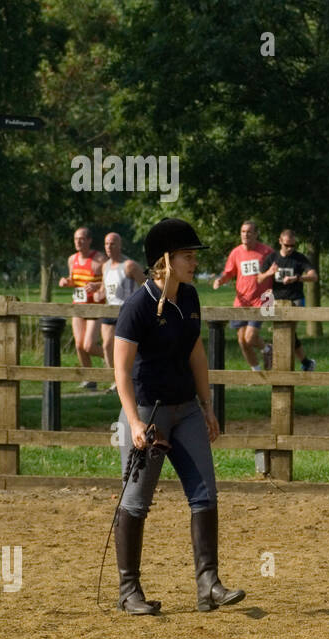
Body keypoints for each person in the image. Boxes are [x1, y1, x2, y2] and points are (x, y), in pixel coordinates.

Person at [111, 217, 245, 615]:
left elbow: (196, 354)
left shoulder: (189, 299)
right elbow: (121, 371)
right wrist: (135, 423)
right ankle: (128, 591)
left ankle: (209, 584)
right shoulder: (136, 308)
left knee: (205, 493)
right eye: (188, 256)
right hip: (148, 414)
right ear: (165, 261)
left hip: (186, 409)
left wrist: (207, 406)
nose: (194, 263)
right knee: (136, 502)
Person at [212, 220, 274, 370]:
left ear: (256, 234)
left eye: (249, 232)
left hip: (263, 299)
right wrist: (220, 280)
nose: (245, 235)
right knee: (242, 341)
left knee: (250, 337)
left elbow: (275, 271)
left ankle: (267, 349)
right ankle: (256, 371)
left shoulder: (266, 252)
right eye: (243, 232)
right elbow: (229, 272)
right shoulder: (236, 252)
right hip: (242, 301)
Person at [261, 228, 318, 371]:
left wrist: (297, 278)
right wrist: (269, 272)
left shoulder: (299, 258)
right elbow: (258, 279)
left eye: (293, 245)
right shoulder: (272, 258)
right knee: (289, 333)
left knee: (287, 330)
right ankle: (305, 363)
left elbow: (314, 276)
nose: (290, 248)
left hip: (296, 299)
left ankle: (280, 366)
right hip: (277, 301)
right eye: (287, 245)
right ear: (280, 241)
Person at [58, 227, 105, 389]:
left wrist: (97, 285)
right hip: (78, 306)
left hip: (95, 307)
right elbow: (73, 279)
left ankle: (113, 359)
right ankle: (90, 379)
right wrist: (66, 281)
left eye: (82, 238)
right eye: (76, 239)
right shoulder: (73, 259)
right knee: (79, 345)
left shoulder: (99, 259)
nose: (78, 242)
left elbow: (111, 280)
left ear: (89, 240)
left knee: (89, 345)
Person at [100, 232, 146, 390]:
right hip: (109, 310)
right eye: (106, 244)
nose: (109, 247)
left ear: (120, 245)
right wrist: (96, 289)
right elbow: (104, 288)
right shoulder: (104, 266)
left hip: (126, 312)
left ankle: (128, 378)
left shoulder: (129, 265)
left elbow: (146, 285)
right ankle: (116, 379)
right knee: (107, 346)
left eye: (112, 243)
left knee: (125, 349)